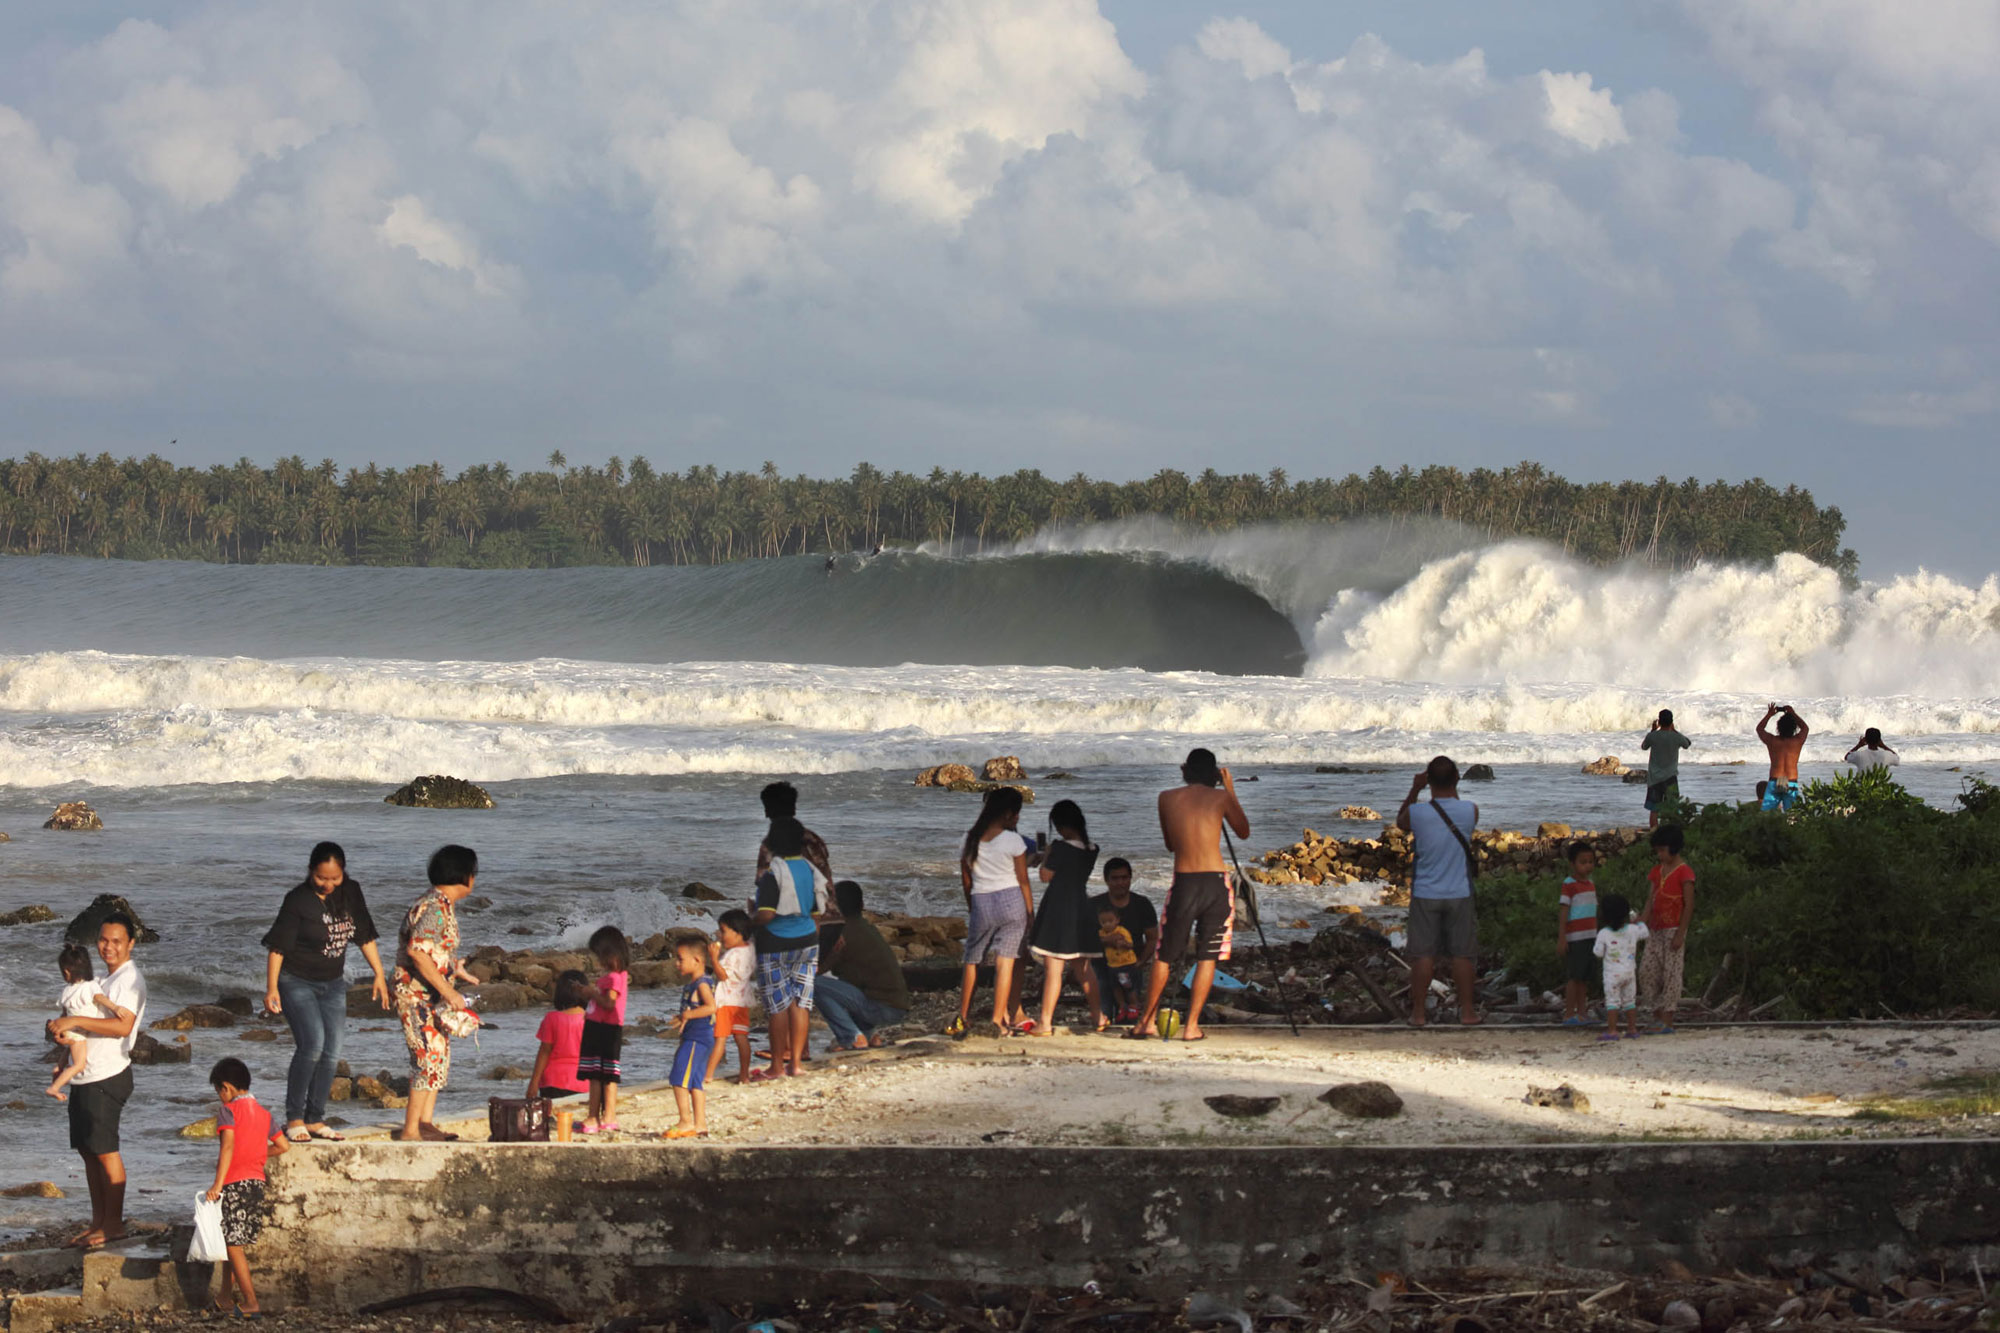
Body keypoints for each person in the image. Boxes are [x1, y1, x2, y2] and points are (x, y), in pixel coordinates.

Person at [261, 841, 389, 1144]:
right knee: (313, 1044)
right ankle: (294, 1118)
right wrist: (271, 989)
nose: (328, 884)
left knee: (332, 1053)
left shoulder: (351, 892)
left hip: (332, 983)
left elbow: (365, 936)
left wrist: (380, 974)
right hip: (296, 981)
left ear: (343, 873)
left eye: (334, 878)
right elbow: (277, 948)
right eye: (321, 878)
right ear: (310, 872)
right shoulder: (297, 900)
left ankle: (315, 1119)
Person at [1132, 748, 1249, 1042]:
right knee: (1207, 957)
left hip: (1184, 882)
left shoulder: (1167, 798)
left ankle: (1147, 1021)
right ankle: (1191, 1026)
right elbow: (1243, 832)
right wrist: (1229, 790)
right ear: (1215, 773)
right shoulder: (1221, 798)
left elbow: (1171, 844)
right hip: (1215, 884)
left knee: (1164, 954)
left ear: (1184, 770)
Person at [50, 912, 146, 1248]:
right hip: (85, 1075)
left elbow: (122, 1027)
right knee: (88, 1152)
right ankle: (98, 1223)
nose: (108, 947)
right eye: (103, 940)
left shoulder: (129, 980)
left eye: (116, 941)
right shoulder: (100, 981)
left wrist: (73, 1019)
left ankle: (114, 1225)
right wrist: (64, 1047)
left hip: (108, 1074)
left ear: (131, 944)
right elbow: (85, 1027)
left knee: (106, 1152)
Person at [391, 845, 483, 1143]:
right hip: (416, 995)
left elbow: (433, 952)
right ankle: (410, 1130)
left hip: (430, 994)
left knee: (439, 1056)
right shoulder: (434, 906)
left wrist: (454, 970)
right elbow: (417, 951)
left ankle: (425, 1123)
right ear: (466, 877)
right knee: (425, 1057)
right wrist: (448, 992)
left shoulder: (440, 903)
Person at [1396, 755, 1482, 1028]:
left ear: (1428, 780)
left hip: (1426, 893)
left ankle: (1419, 1014)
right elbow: (1454, 803)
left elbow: (1400, 821)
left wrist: (1415, 788)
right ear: (1457, 779)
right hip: (1460, 892)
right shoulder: (1471, 811)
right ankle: (1467, 1012)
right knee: (1462, 955)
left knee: (1423, 955)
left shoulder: (1418, 814)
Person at [949, 786, 1036, 1040]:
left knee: (972, 960)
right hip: (1011, 900)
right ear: (1008, 814)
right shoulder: (1013, 841)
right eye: (1016, 813)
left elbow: (966, 881)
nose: (1018, 818)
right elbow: (1023, 881)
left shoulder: (969, 839)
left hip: (982, 900)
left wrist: (972, 907)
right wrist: (1030, 912)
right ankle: (998, 1019)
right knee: (1005, 962)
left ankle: (963, 1016)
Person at [203, 1057, 287, 1317]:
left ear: (226, 1088)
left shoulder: (228, 1111)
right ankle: (225, 1296)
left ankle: (251, 1302)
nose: (220, 1098)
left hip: (235, 1182)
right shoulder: (264, 1113)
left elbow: (227, 1146)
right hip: (256, 1182)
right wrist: (256, 1153)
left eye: (219, 1092)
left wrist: (217, 1184)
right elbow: (283, 1146)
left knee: (233, 1244)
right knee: (232, 1238)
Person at [752, 816, 827, 1078]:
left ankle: (776, 1066)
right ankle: (796, 1063)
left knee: (778, 1006)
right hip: (807, 940)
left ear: (772, 844)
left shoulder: (773, 874)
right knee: (800, 1002)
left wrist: (750, 921)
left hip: (775, 944)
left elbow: (767, 914)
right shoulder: (809, 869)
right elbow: (817, 912)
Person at [1027, 800, 1104, 1035]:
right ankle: (1098, 1015)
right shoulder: (1092, 849)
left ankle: (1045, 1022)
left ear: (1062, 826)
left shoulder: (1060, 848)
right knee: (1083, 967)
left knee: (1054, 966)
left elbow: (1044, 876)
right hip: (1081, 906)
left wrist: (1048, 853)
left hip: (1059, 908)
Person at [814, 881, 911, 1049]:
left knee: (811, 983)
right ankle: (867, 1034)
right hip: (896, 1005)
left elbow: (818, 968)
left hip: (881, 1008)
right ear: (862, 905)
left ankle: (852, 1037)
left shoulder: (843, 932)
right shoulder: (864, 926)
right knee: (839, 986)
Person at [1638, 824, 1695, 1033]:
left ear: (1673, 848)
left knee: (1672, 974)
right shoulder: (1656, 871)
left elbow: (1689, 905)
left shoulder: (1685, 873)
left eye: (1662, 850)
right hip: (1654, 929)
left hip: (1673, 929)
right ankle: (1655, 1014)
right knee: (1647, 971)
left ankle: (1667, 1019)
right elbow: (1650, 900)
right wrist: (1642, 920)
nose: (1660, 855)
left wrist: (1681, 933)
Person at [1089, 859, 1157, 1024]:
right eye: (1115, 878)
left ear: (1130, 878)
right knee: (1104, 1011)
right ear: (1106, 880)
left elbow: (1153, 938)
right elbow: (1084, 938)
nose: (1120, 883)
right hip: (1101, 967)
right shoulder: (1094, 905)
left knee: (1130, 1013)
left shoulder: (1142, 904)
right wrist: (1106, 941)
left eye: (1124, 878)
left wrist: (1140, 962)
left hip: (1131, 967)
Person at [578, 927, 630, 1134]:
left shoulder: (615, 978)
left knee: (600, 1075)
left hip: (604, 1029)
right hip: (603, 1027)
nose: (599, 961)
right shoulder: (614, 976)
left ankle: (597, 1116)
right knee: (603, 1074)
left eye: (600, 956)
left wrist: (591, 993)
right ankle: (604, 1116)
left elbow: (609, 1003)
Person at [664, 938, 716, 1139]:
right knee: (695, 1081)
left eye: (680, 959)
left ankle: (685, 1120)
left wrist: (687, 1016)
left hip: (698, 1038)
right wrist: (681, 1019)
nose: (677, 963)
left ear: (696, 960)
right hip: (695, 1037)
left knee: (678, 1077)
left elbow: (711, 1007)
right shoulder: (693, 985)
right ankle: (700, 1124)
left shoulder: (702, 984)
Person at [46, 945, 113, 1102]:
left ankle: (58, 1069)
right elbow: (100, 999)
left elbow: (64, 1014)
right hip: (78, 1032)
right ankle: (54, 1088)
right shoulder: (91, 986)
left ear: (67, 971)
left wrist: (58, 1028)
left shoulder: (67, 990)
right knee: (79, 1065)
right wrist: (115, 1008)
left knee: (68, 1052)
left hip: (68, 1029)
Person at [705, 911, 757, 1084]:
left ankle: (708, 1074)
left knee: (720, 1039)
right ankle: (744, 1075)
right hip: (741, 1001)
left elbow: (723, 975)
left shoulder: (732, 955)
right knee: (741, 1037)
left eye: (723, 931)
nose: (720, 935)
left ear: (738, 932)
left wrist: (714, 959)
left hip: (727, 1002)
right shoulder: (750, 949)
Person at [525, 971, 591, 1102]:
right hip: (583, 1082)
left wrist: (533, 1083)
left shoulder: (552, 1018)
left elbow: (544, 1052)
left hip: (553, 1081)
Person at [1593, 893, 1649, 1041]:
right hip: (1629, 973)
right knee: (1629, 1001)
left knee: (1612, 1002)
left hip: (1612, 975)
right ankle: (1632, 1029)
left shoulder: (1603, 933)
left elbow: (1598, 953)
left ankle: (1612, 1030)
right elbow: (1645, 933)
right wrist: (1638, 921)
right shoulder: (1633, 929)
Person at [1554, 843, 1599, 1027]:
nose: (1587, 866)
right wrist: (1562, 937)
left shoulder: (1591, 884)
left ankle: (1582, 1012)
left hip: (1590, 936)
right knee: (1574, 976)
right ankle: (1569, 1013)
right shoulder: (1569, 884)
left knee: (1584, 977)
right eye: (1583, 862)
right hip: (1575, 937)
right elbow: (1564, 911)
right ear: (1573, 864)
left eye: (1590, 862)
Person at [754, 782, 832, 883]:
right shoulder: (813, 840)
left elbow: (761, 880)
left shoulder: (769, 844)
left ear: (768, 812)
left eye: (766, 808)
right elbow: (824, 874)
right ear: (794, 809)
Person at [1641, 709, 1693, 829]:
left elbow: (1644, 747)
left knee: (1654, 809)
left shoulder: (1652, 736)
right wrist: (1674, 730)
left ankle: (1654, 832)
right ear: (1671, 722)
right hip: (1670, 777)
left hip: (1655, 778)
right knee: (1673, 807)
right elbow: (1687, 744)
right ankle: (1671, 831)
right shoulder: (1676, 737)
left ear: (1659, 721)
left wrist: (1653, 730)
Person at [1756, 703, 1809, 811]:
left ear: (1778, 727)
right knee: (1792, 816)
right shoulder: (1797, 741)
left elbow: (1759, 729)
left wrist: (1769, 714)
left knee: (1768, 816)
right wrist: (1793, 713)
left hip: (1775, 780)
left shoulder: (1772, 741)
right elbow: (1805, 728)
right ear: (1794, 728)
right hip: (1791, 781)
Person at [1096, 907, 1140, 1020]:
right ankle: (1122, 1006)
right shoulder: (1101, 933)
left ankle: (1133, 1006)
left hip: (1125, 965)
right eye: (1103, 922)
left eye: (1110, 921)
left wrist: (1123, 943)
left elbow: (1130, 944)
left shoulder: (1122, 931)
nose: (1107, 925)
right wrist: (1109, 939)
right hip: (1112, 965)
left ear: (1117, 920)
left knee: (1127, 986)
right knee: (1115, 987)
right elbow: (1098, 940)